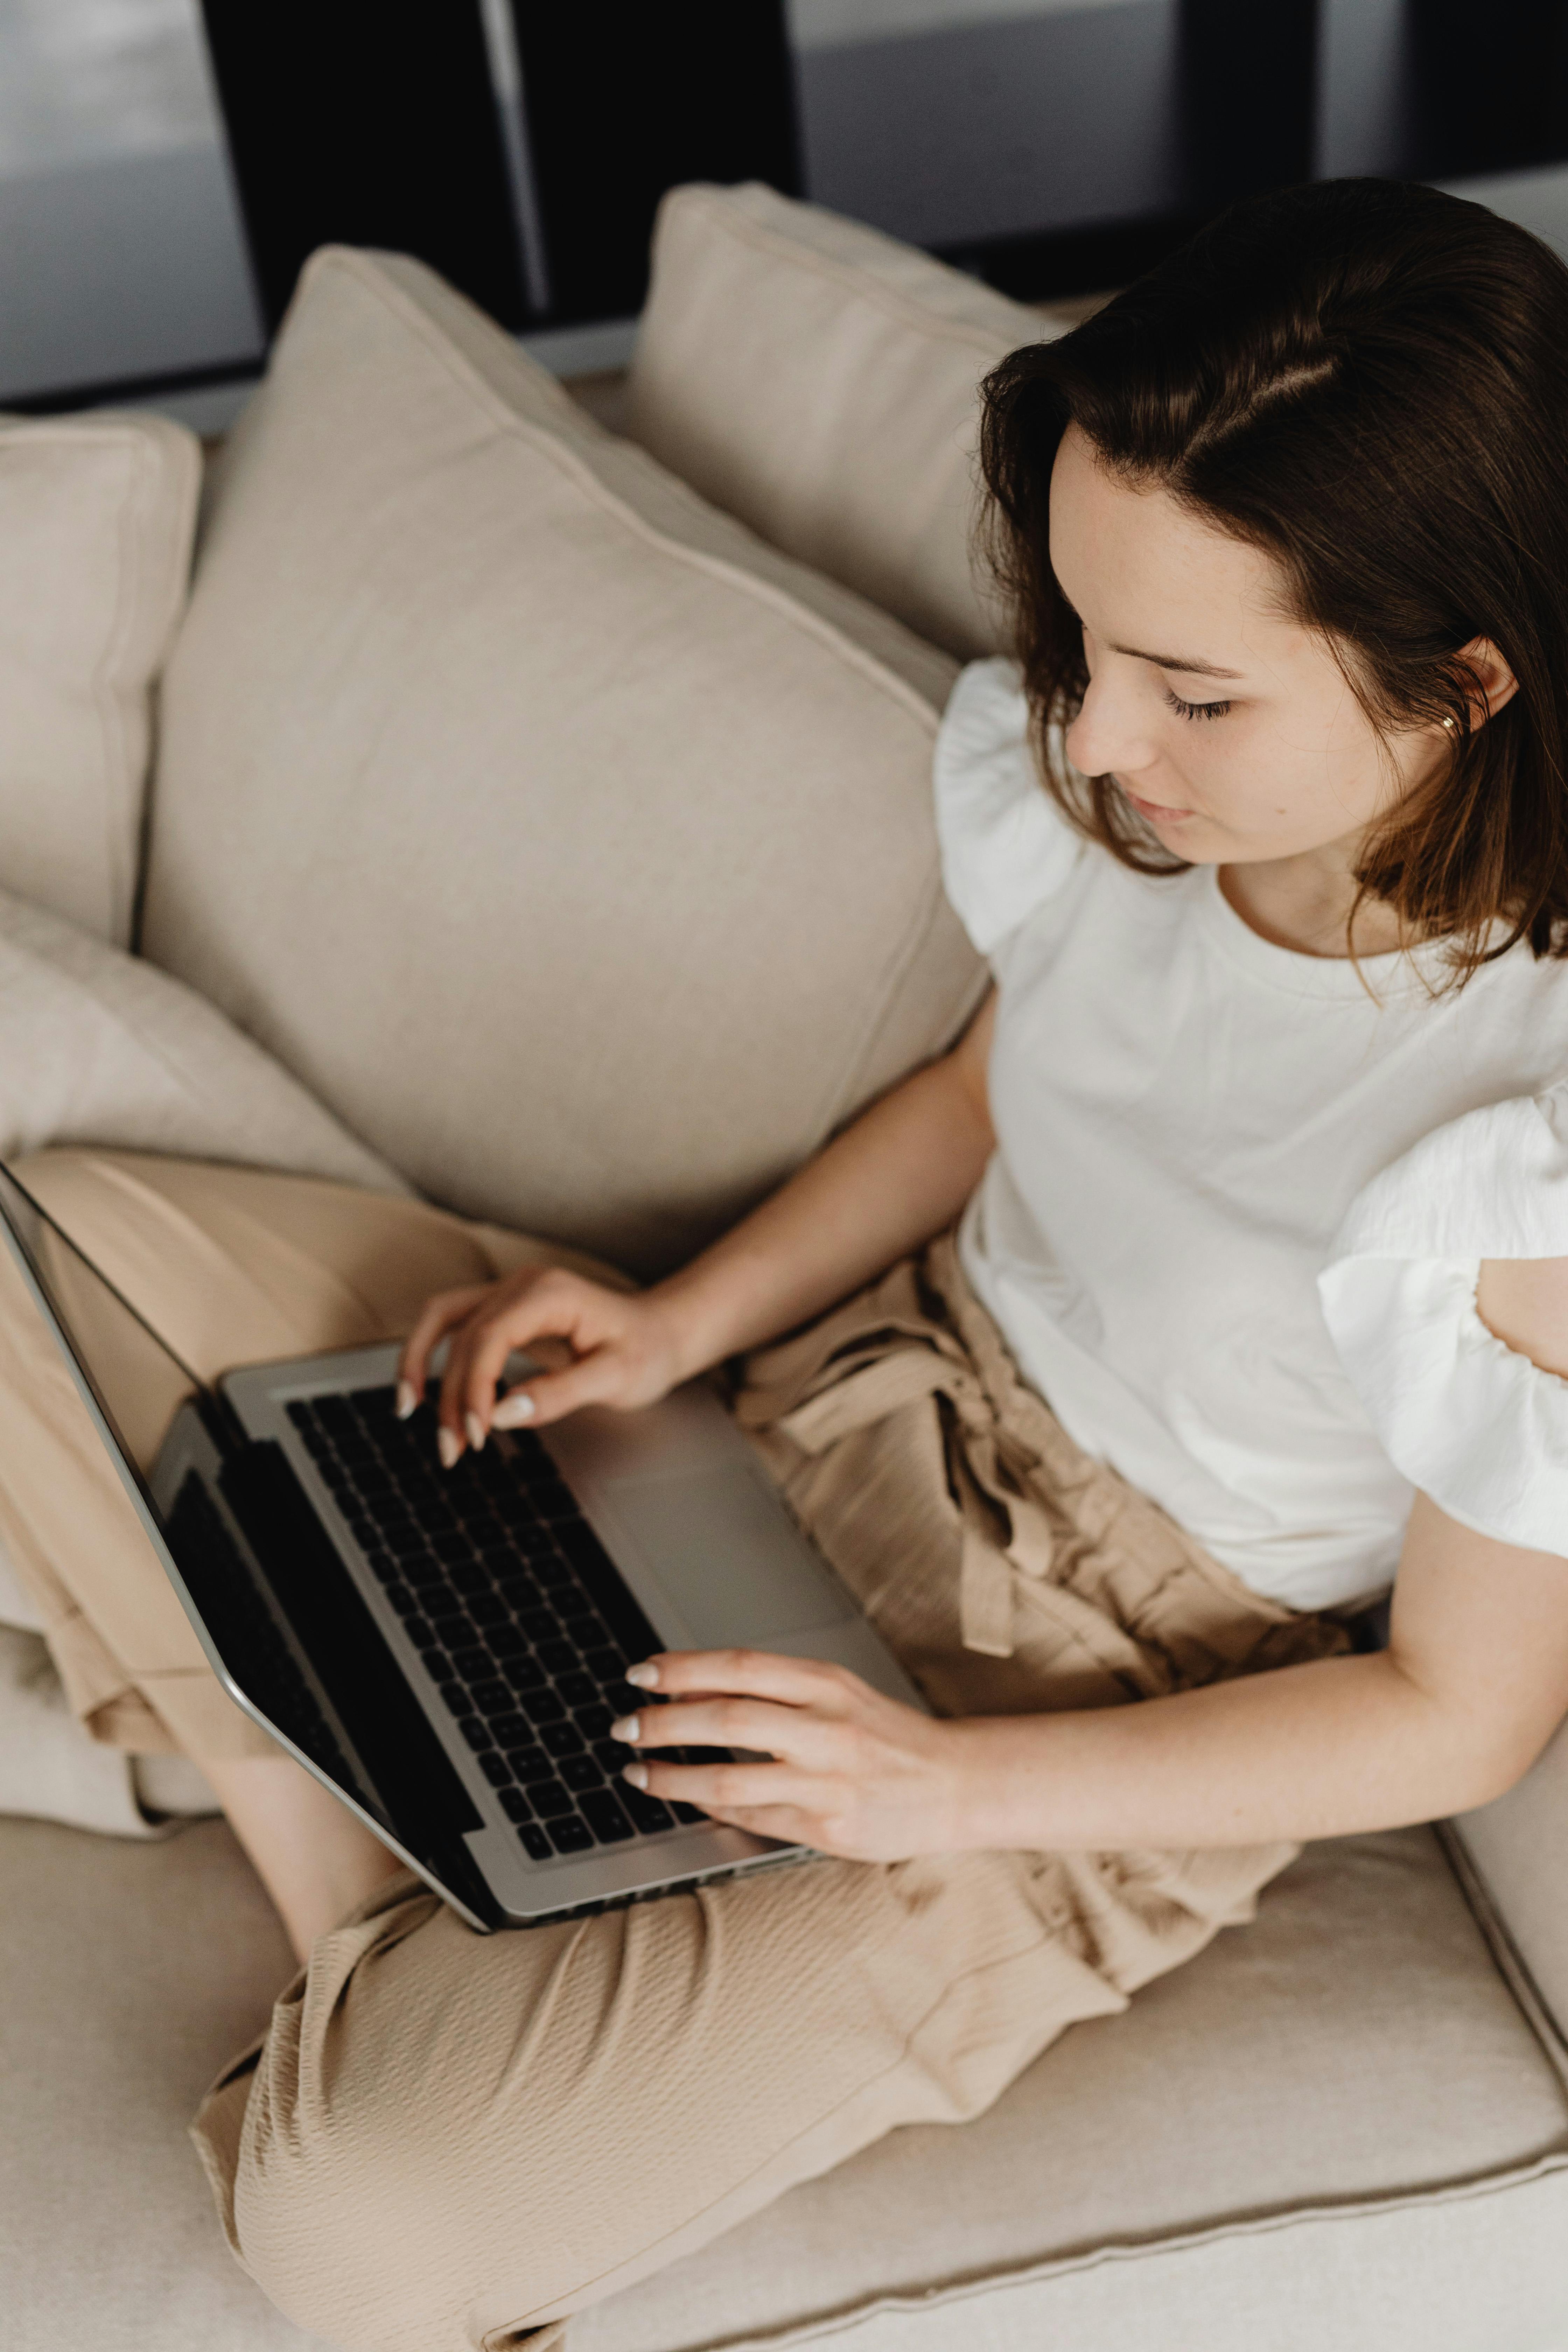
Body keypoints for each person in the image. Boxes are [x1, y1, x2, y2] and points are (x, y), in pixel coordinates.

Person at [4, 175, 1568, 2349]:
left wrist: (929, 1787)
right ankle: (438, 1841)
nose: (1100, 742)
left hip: (1066, 1710)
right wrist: (675, 1319)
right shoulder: (1154, 824)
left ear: (1467, 680)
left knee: (349, 2227)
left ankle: (339, 1793)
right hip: (809, 1423)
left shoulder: (1526, 1152)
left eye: (1191, 691)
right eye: (1093, 644)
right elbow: (978, 1101)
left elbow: (1462, 1716)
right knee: (56, 1239)